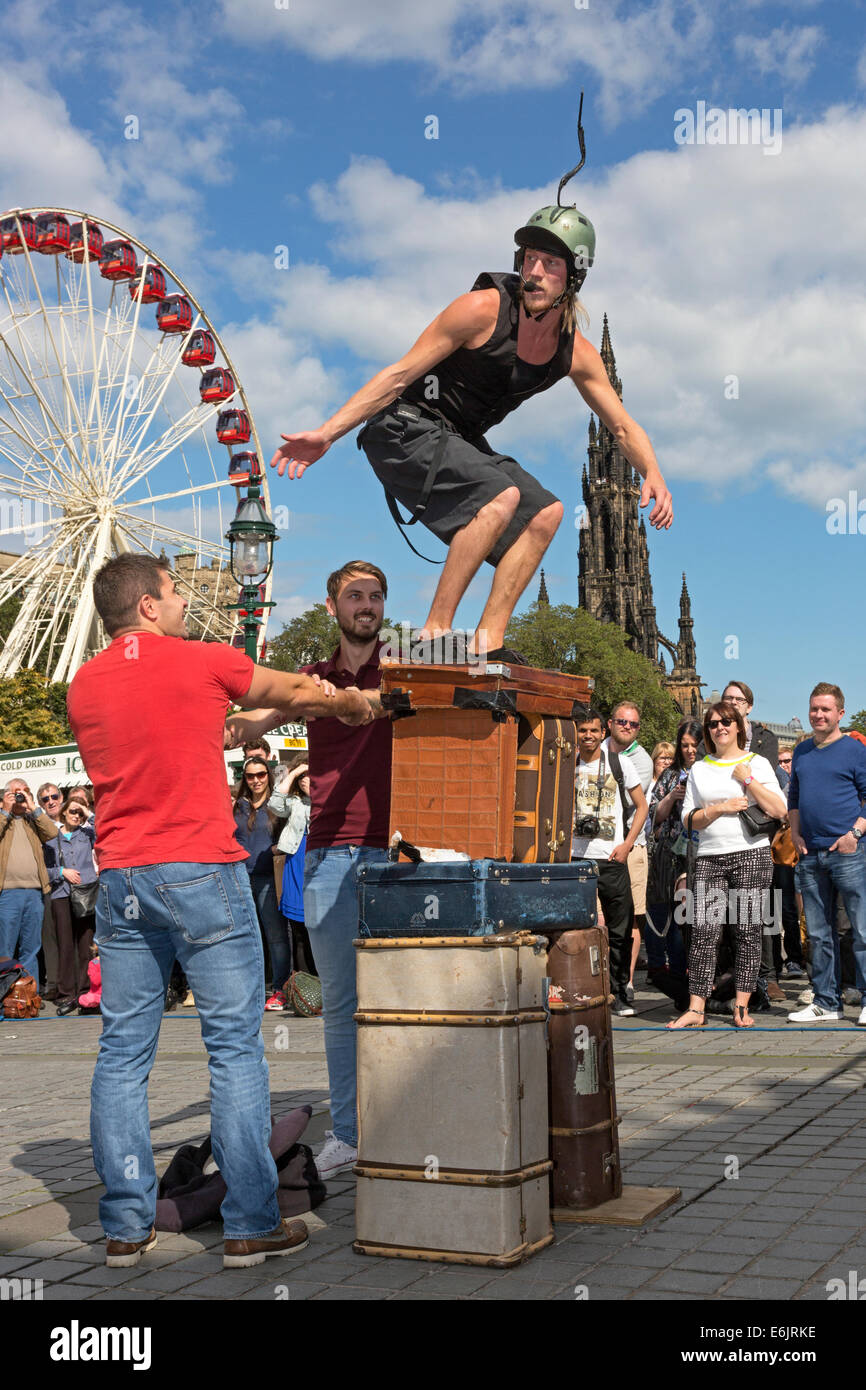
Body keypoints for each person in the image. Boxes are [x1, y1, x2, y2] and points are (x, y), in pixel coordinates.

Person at [66, 552, 381, 1269]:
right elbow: (299, 689)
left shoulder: (83, 686)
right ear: (148, 604)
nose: (181, 603)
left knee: (121, 1055)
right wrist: (347, 703)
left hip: (122, 877)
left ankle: (123, 1226)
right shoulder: (199, 660)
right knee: (236, 1049)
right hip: (200, 868)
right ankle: (248, 1221)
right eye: (174, 592)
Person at [271, 199, 672, 657]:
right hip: (400, 426)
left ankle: (487, 642)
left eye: (550, 263)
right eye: (529, 259)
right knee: (499, 498)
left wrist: (653, 472)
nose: (535, 271)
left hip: (455, 439)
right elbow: (398, 375)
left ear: (573, 277)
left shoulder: (573, 351)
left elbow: (620, 424)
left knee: (547, 513)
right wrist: (327, 432)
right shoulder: (482, 310)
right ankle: (434, 634)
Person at [221, 560, 393, 1182]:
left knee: (403, 998)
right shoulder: (310, 680)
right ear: (332, 607)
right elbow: (251, 722)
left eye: (375, 595)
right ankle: (348, 1133)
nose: (366, 605)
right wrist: (221, 724)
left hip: (398, 856)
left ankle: (401, 1121)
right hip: (326, 855)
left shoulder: (403, 669)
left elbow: (378, 707)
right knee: (343, 1004)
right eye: (354, 596)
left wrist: (353, 703)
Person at [668, 702, 786, 1030]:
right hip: (708, 855)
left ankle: (742, 1006)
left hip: (751, 853)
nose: (720, 727)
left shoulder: (757, 763)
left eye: (726, 722)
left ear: (738, 727)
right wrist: (719, 809)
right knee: (704, 931)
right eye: (714, 724)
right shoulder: (700, 769)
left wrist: (747, 779)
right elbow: (688, 818)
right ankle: (696, 1008)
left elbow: (779, 809)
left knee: (747, 931)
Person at [786, 683, 866, 1025]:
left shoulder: (855, 751)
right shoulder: (802, 751)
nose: (819, 714)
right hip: (810, 852)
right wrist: (794, 832)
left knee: (862, 930)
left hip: (848, 852)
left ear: (840, 714)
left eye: (826, 709)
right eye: (814, 708)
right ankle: (826, 1002)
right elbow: (794, 799)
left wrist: (855, 834)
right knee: (818, 933)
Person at [572, 707, 648, 1016]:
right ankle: (578, 987)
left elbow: (642, 807)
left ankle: (619, 991)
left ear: (602, 732)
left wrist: (627, 844)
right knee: (576, 927)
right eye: (582, 730)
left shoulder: (620, 763)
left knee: (620, 929)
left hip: (611, 856)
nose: (588, 736)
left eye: (592, 730)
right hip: (576, 857)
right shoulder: (567, 764)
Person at [231, 755, 291, 1010]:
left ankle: (280, 989)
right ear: (244, 779)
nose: (256, 780)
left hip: (268, 876)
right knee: (244, 936)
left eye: (261, 775)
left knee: (275, 936)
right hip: (240, 877)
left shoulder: (277, 805)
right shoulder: (237, 806)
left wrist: (282, 847)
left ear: (268, 775)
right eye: (250, 776)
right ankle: (249, 990)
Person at [646, 720, 701, 991]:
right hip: (672, 854)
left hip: (704, 853)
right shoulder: (670, 774)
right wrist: (672, 796)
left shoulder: (711, 769)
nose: (690, 750)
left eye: (695, 745)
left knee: (700, 916)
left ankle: (701, 976)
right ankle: (679, 974)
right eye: (685, 745)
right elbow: (653, 815)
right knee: (676, 915)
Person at [604, 701, 653, 1003]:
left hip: (632, 844)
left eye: (633, 724)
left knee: (631, 918)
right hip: (597, 846)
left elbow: (627, 802)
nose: (627, 727)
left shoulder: (642, 760)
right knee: (598, 917)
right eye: (622, 721)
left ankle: (627, 981)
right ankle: (600, 978)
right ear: (610, 724)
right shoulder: (594, 750)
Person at [0, 779, 60, 992]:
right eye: (16, 792)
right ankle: (5, 995)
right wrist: (5, 811)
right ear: (6, 795)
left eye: (24, 791)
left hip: (35, 892)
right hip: (7, 893)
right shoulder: (1, 817)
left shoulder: (32, 820)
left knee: (31, 948)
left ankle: (28, 995)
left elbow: (53, 833)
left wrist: (33, 808)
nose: (20, 795)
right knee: (5, 949)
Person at [44, 796, 98, 1015]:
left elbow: (100, 826)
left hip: (85, 893)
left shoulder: (87, 835)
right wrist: (61, 872)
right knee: (65, 945)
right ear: (63, 813)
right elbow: (42, 868)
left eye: (79, 813)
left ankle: (86, 990)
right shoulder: (51, 838)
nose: (76, 816)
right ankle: (66, 992)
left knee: (86, 943)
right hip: (61, 894)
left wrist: (87, 810)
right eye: (73, 812)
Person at [270, 756, 316, 978]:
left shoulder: (329, 800)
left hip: (319, 861)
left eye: (311, 775)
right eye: (303, 777)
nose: (306, 780)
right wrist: (295, 772)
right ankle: (303, 984)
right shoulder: (295, 802)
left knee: (319, 928)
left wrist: (315, 791)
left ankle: (322, 982)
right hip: (296, 859)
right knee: (298, 929)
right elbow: (275, 803)